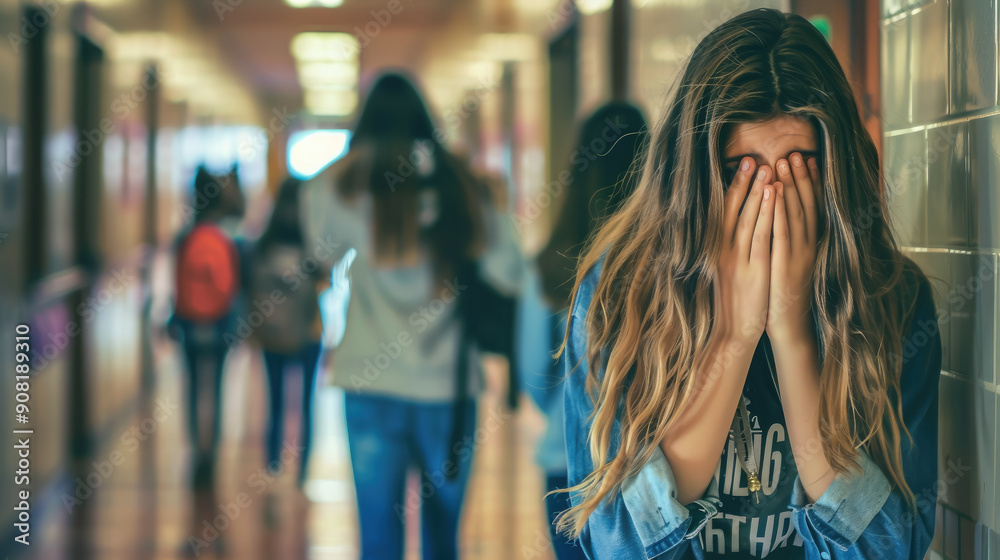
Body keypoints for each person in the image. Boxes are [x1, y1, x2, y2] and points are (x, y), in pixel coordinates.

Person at [557, 9, 941, 559]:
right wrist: (734, 337)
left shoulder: (893, 299)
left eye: (799, 166)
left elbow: (888, 549)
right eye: (744, 169)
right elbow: (621, 545)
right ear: (696, 176)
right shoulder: (618, 296)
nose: (771, 199)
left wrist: (792, 338)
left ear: (834, 170)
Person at [299, 72, 522, 560]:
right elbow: (509, 273)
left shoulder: (341, 185)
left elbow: (320, 252)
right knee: (444, 543)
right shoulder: (463, 185)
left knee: (378, 540)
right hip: (448, 388)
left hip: (368, 384)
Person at [517, 101, 647, 560]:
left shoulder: (548, 267)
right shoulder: (666, 262)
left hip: (566, 460)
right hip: (650, 468)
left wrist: (573, 408)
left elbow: (534, 375)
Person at [170, 165, 245, 489]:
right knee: (215, 387)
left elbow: (176, 286)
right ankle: (211, 453)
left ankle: (194, 452)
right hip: (219, 322)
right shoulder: (229, 239)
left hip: (189, 321)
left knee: (191, 386)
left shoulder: (184, 239)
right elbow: (233, 289)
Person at [249, 176, 326, 487]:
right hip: (309, 333)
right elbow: (329, 279)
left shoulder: (265, 244)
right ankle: (303, 474)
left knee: (275, 404)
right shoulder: (312, 244)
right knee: (307, 406)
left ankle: (272, 468)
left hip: (273, 334)